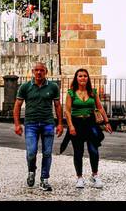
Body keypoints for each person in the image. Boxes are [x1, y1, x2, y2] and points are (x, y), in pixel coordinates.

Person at [13, 62, 62, 192]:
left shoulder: (53, 87)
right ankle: (31, 171)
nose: (39, 73)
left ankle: (44, 179)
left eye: (41, 70)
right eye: (36, 70)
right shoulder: (25, 87)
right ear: (32, 72)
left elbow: (57, 106)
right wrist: (17, 124)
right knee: (31, 152)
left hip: (48, 123)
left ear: (46, 72)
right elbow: (17, 105)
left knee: (47, 153)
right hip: (31, 124)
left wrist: (60, 124)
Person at [63, 68, 109, 190]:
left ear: (88, 78)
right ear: (76, 78)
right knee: (78, 152)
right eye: (80, 76)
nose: (83, 78)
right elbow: (67, 111)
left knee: (93, 150)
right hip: (76, 123)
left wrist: (107, 121)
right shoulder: (71, 92)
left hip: (90, 123)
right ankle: (79, 177)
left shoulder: (93, 92)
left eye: (85, 76)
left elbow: (100, 108)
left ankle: (95, 175)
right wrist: (71, 126)